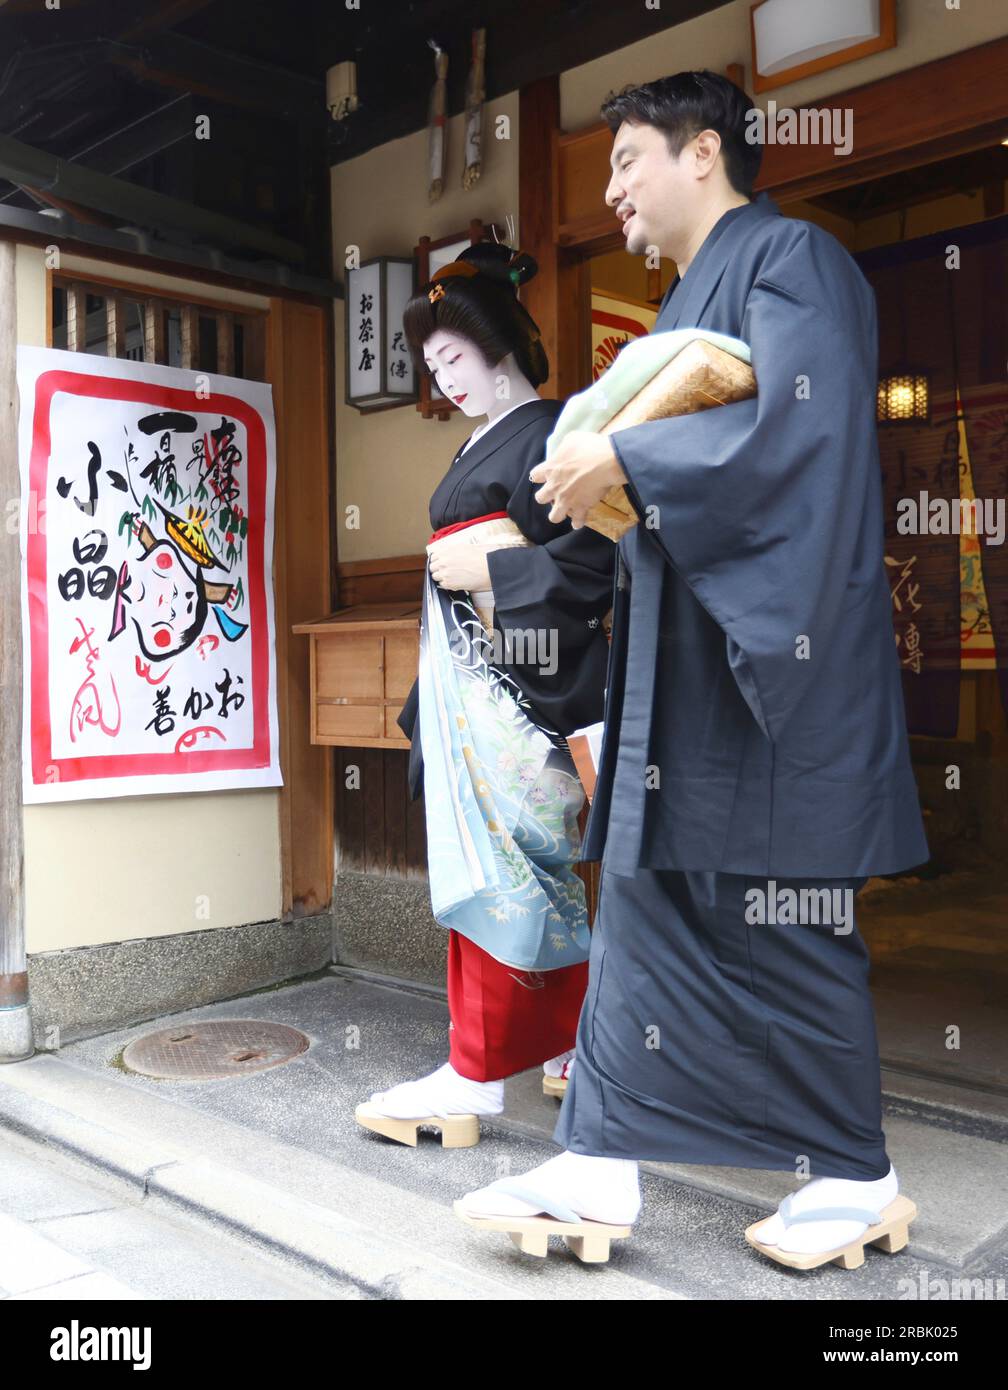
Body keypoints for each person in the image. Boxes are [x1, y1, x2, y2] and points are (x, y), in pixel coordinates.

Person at [454, 72, 929, 1268]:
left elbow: (797, 441)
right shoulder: (677, 314)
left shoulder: (797, 261)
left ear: (702, 152)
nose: (610, 191)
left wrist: (627, 451)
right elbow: (648, 503)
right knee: (654, 904)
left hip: (775, 670)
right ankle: (599, 1164)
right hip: (683, 669)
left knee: (790, 920)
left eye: (625, 162)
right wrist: (575, 517)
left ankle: (859, 1177)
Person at [355, 241, 615, 1147]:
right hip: (474, 679)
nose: (445, 381)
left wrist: (497, 562)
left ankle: (477, 1076)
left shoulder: (557, 432)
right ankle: (554, 1044)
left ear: (499, 344)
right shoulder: (476, 442)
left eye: (455, 359)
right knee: (503, 872)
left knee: (515, 869)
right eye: (432, 368)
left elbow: (594, 561)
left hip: (520, 686)